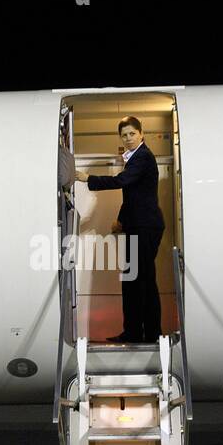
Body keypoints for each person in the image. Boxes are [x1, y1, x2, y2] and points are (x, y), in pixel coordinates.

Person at [75, 116, 164, 343]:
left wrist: (88, 178)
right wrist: (121, 220)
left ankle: (150, 334)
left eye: (132, 134)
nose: (128, 138)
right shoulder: (135, 157)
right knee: (134, 279)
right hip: (138, 225)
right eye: (124, 135)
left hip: (145, 226)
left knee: (142, 280)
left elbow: (122, 181)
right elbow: (132, 195)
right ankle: (134, 332)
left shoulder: (142, 157)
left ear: (141, 134)